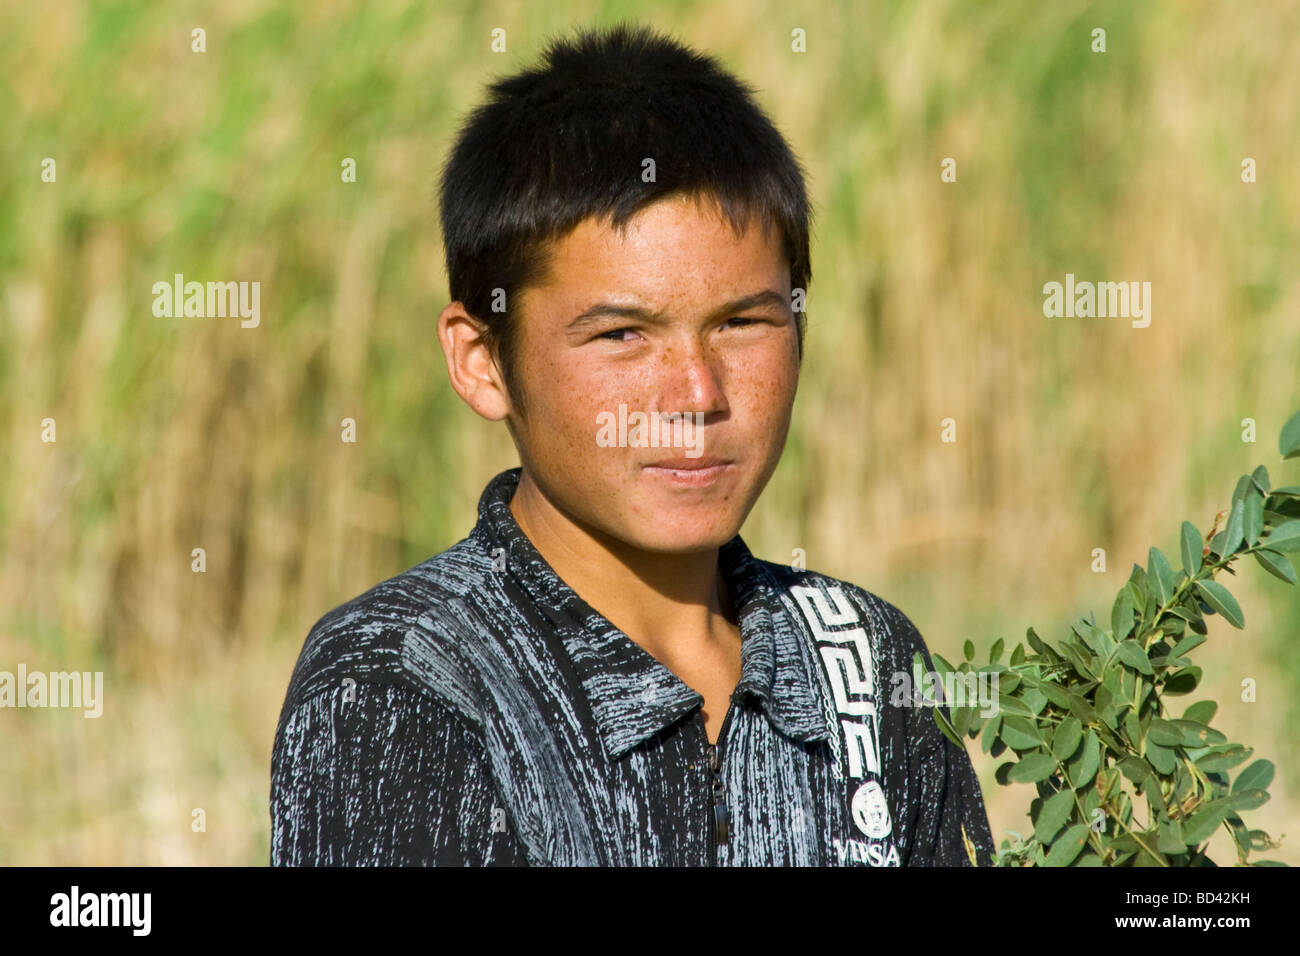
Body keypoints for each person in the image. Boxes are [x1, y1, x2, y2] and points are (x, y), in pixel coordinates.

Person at [270, 20, 996, 866]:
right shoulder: (401, 684)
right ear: (482, 361)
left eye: (742, 322)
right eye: (621, 335)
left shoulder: (862, 661)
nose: (695, 394)